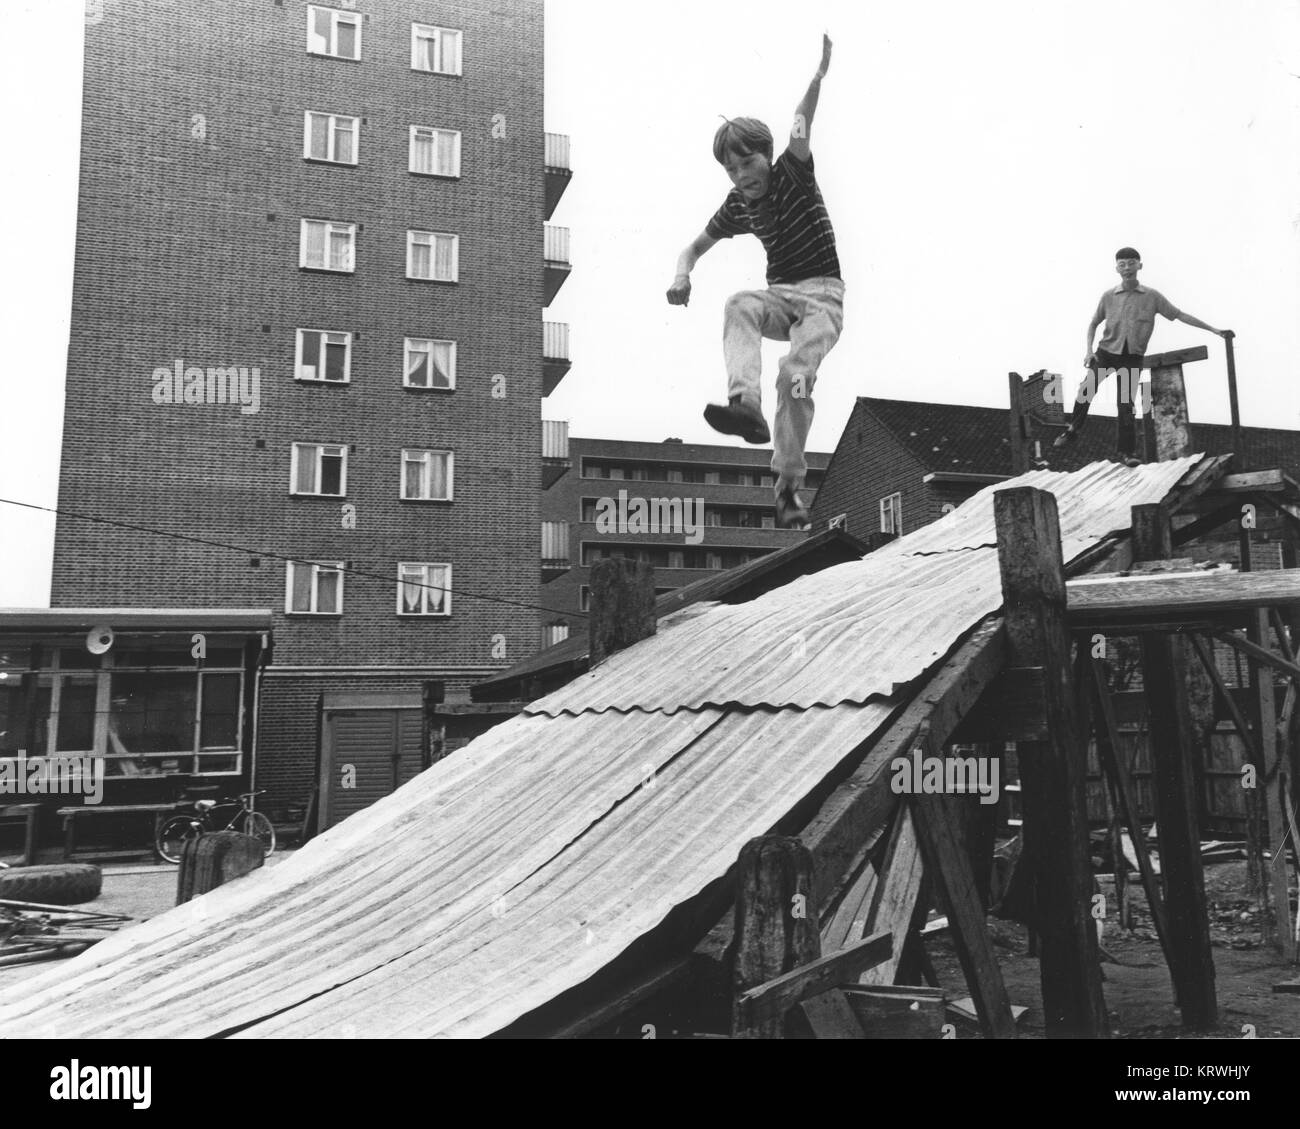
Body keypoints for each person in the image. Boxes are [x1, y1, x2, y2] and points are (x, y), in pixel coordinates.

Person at [666, 34, 842, 529]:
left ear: (766, 156)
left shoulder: (792, 171)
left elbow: (802, 121)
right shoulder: (737, 205)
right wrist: (682, 274)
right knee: (740, 303)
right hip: (781, 297)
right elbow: (693, 247)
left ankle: (788, 488)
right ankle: (745, 404)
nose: (741, 176)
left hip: (823, 299)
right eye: (731, 169)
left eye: (747, 163)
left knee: (795, 378)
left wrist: (818, 76)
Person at [1055, 247, 1226, 464]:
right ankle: (1072, 430)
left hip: (1131, 358)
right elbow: (1093, 323)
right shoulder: (1108, 296)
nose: (1127, 268)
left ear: (1140, 266)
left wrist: (1212, 329)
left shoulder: (1152, 297)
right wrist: (1089, 351)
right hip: (1106, 353)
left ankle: (1127, 453)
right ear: (1117, 268)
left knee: (1125, 404)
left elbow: (1179, 314)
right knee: (1086, 388)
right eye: (1122, 264)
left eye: (1131, 263)